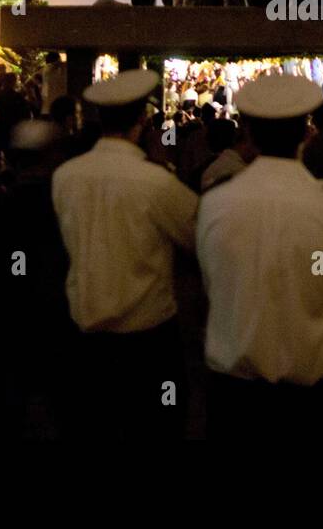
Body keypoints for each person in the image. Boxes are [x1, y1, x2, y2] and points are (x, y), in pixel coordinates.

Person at [196, 73, 323, 438]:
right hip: (309, 397)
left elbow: (213, 285)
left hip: (233, 394)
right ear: (305, 132)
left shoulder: (215, 201)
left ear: (249, 134)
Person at [52, 69, 198, 438]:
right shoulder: (157, 182)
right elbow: (196, 234)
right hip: (147, 340)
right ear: (143, 121)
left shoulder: (66, 176)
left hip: (83, 337)